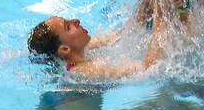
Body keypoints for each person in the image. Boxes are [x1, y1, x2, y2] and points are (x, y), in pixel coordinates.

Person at [26, 14, 165, 80]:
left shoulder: (78, 51)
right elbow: (149, 69)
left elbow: (124, 32)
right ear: (65, 50)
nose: (76, 20)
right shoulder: (87, 72)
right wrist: (162, 15)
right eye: (68, 27)